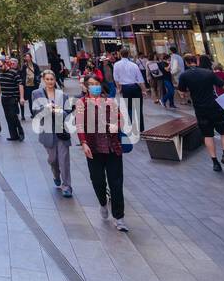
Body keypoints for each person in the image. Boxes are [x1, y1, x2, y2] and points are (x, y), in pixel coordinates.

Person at [75, 73, 129, 232]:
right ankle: (103, 203)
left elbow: (121, 119)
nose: (94, 86)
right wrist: (84, 143)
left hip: (113, 147)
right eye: (91, 84)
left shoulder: (110, 101)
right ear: (86, 86)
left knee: (116, 184)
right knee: (98, 181)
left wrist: (117, 125)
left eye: (96, 83)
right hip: (94, 148)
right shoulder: (81, 103)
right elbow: (79, 125)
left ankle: (119, 218)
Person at [176, 55, 224, 173]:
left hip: (200, 109)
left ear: (186, 63)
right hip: (215, 107)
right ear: (197, 61)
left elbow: (182, 92)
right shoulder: (209, 73)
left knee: (208, 135)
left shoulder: (184, 76)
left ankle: (215, 162)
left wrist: (185, 94)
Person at [32, 69, 73, 198]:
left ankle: (67, 186)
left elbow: (68, 113)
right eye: (47, 79)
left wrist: (60, 111)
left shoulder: (62, 95)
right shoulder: (36, 93)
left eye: (52, 79)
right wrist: (46, 109)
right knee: (53, 159)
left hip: (61, 131)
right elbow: (35, 113)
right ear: (44, 80)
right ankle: (56, 174)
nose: (50, 81)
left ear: (55, 80)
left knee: (64, 160)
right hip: (47, 131)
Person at [112, 49, 146, 132]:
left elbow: (116, 78)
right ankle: (140, 128)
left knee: (129, 107)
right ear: (128, 54)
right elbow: (140, 78)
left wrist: (119, 88)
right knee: (138, 107)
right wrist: (143, 90)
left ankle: (133, 127)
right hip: (135, 87)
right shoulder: (133, 65)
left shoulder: (116, 65)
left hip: (125, 88)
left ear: (120, 54)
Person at [0, 57, 26, 140]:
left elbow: (20, 85)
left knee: (13, 116)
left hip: (12, 98)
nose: (0, 68)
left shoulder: (14, 73)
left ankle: (21, 132)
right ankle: (13, 136)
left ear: (6, 64)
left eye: (1, 66)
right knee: (8, 117)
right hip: (4, 98)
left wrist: (22, 98)